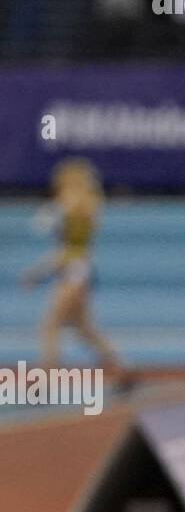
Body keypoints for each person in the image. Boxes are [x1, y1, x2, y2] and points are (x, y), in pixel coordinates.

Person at [20, 159, 127, 382]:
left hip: (73, 272)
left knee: (50, 326)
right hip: (80, 270)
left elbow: (68, 251)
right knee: (84, 329)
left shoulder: (72, 211)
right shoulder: (84, 208)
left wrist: (38, 273)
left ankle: (45, 382)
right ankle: (122, 371)